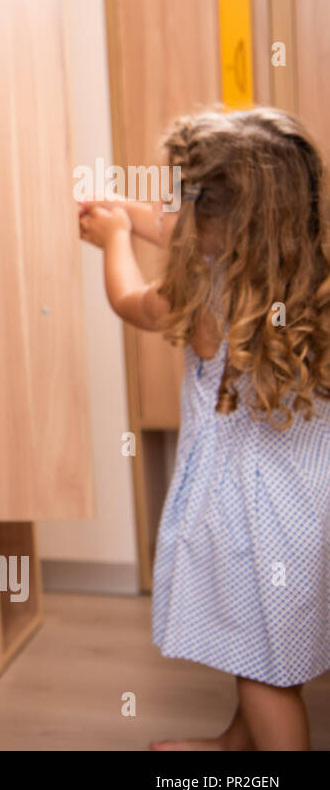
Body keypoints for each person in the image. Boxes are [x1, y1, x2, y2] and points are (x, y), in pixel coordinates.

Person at [78, 106, 330, 750]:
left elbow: (129, 301)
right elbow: (191, 234)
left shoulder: (204, 298)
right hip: (304, 507)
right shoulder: (309, 274)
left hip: (249, 514)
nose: (174, 215)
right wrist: (127, 213)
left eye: (186, 202)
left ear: (220, 226)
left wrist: (114, 241)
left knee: (265, 674)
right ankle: (230, 748)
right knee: (269, 648)